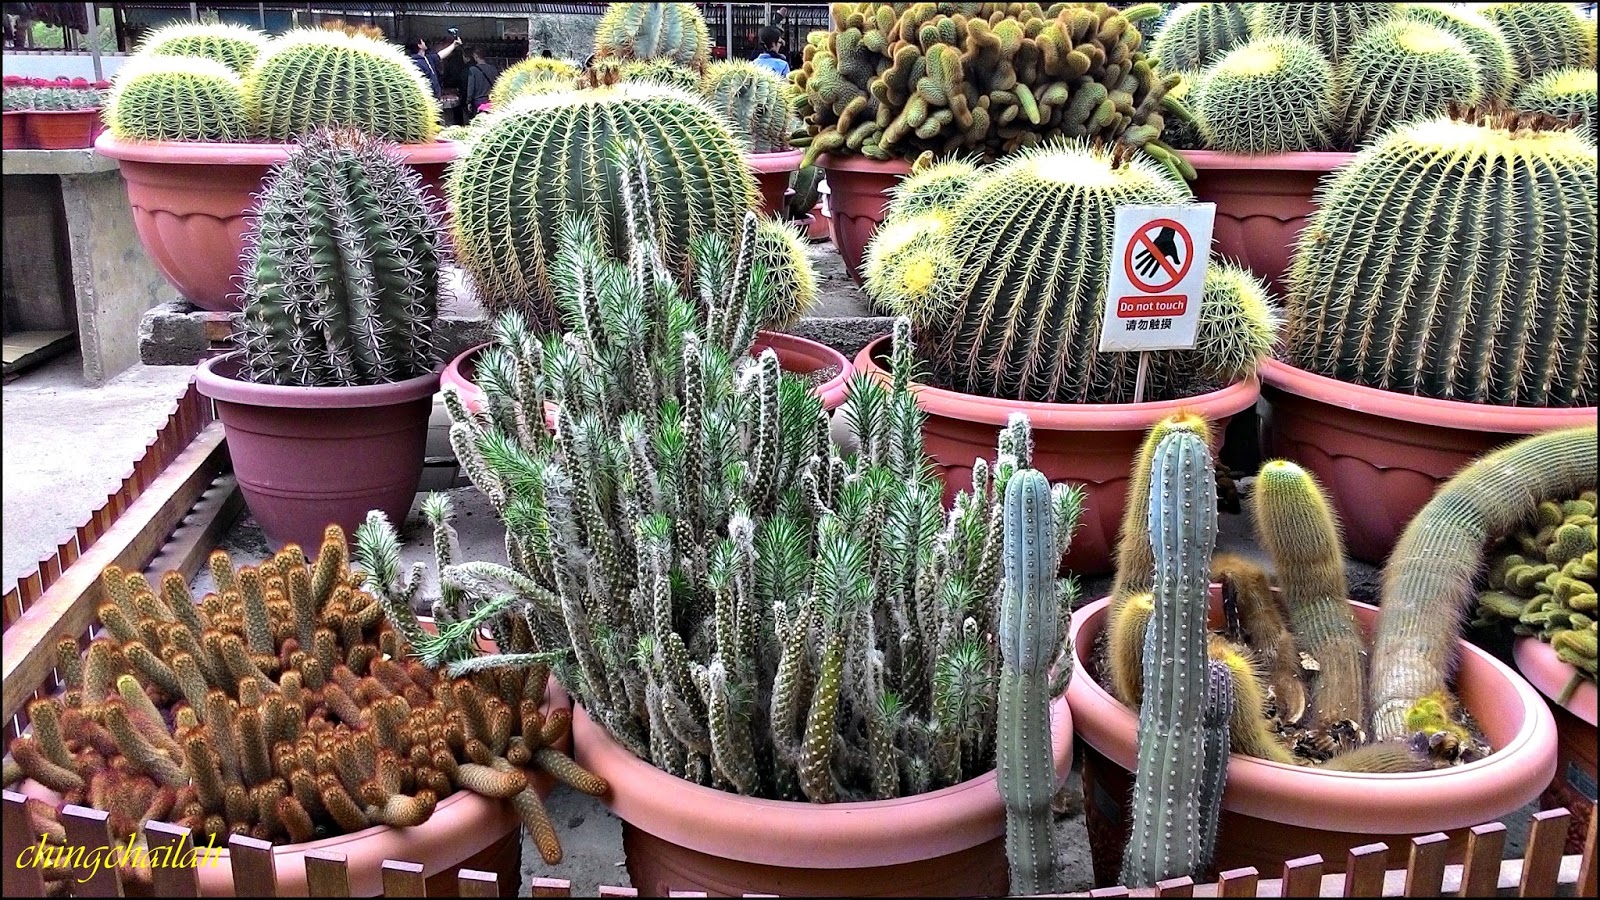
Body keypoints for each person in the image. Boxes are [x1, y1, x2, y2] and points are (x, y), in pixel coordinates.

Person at [405, 34, 460, 106]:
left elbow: (440, 55)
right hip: (427, 100)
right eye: (423, 42)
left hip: (435, 98)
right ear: (419, 45)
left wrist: (454, 45)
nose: (425, 43)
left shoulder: (427, 58)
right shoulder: (415, 63)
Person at [462, 46, 498, 123]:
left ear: (476, 56)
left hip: (478, 102)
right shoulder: (493, 69)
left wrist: (468, 101)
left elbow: (471, 87)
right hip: (491, 100)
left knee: (479, 123)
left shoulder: (473, 70)